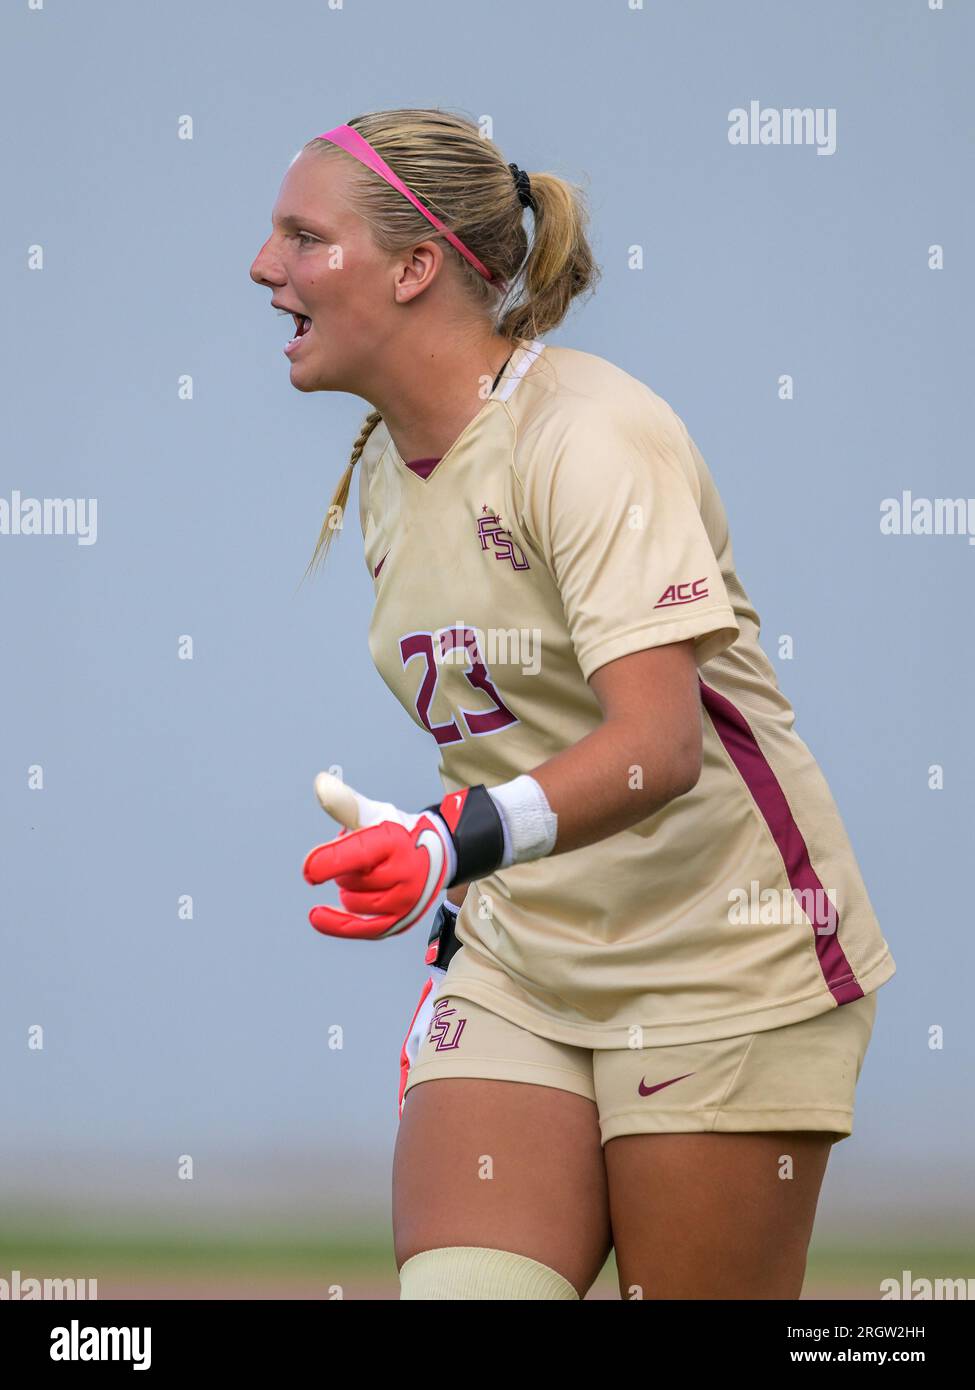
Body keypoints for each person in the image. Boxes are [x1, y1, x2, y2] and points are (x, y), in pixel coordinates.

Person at [249, 108, 896, 1301]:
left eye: (304, 236)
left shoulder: (591, 434)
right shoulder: (387, 464)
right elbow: (520, 741)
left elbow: (659, 749)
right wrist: (445, 860)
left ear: (414, 266)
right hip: (525, 961)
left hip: (723, 965)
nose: (262, 267)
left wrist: (453, 840)